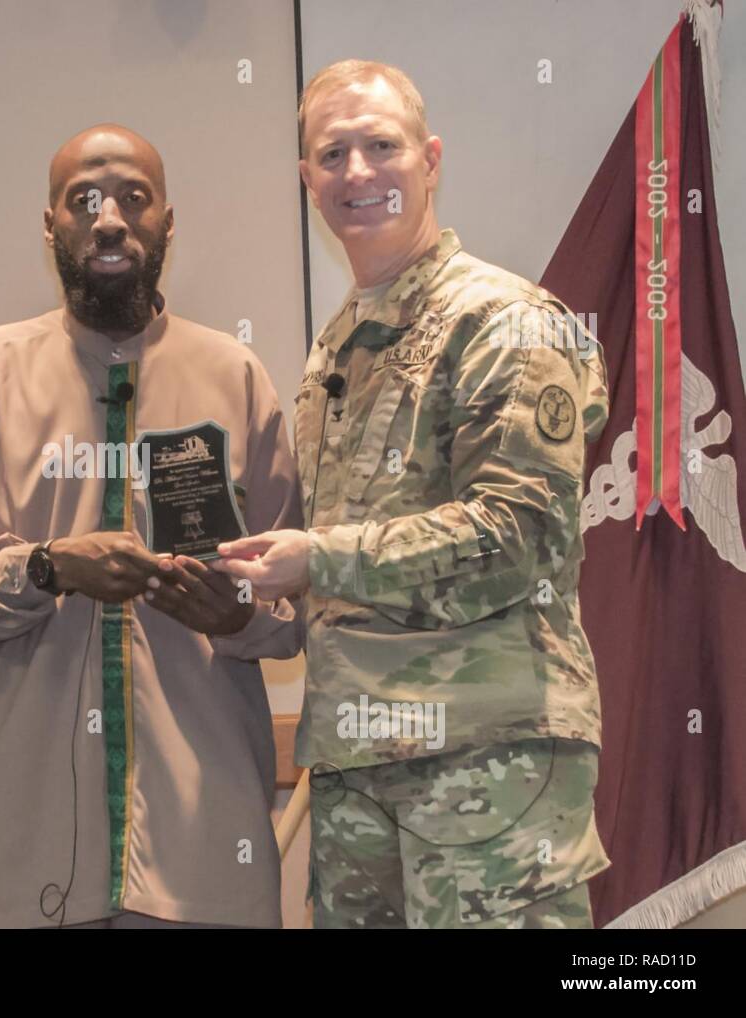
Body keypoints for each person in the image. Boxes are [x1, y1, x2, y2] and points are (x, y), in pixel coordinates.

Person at [212, 60, 611, 928]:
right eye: (333, 154)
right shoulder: (339, 347)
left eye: (381, 146)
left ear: (430, 159)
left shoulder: (503, 320)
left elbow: (519, 537)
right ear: (308, 181)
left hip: (484, 763)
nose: (358, 173)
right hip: (358, 763)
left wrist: (315, 560)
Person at [0, 124, 302, 927]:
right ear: (51, 226)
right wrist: (47, 568)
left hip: (198, 840)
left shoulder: (235, 377)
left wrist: (241, 615)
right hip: (21, 833)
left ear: (167, 224)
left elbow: (293, 597)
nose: (108, 217)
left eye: (132, 198)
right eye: (84, 200)